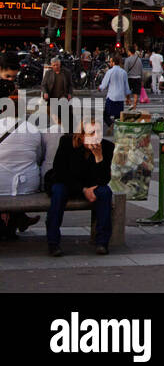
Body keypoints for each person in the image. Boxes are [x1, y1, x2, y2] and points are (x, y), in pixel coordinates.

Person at [45, 118, 114, 256]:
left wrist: (98, 157)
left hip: (91, 185)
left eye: (99, 133)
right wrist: (82, 190)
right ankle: (53, 243)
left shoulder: (107, 147)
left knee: (105, 192)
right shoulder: (66, 142)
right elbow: (60, 173)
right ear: (82, 136)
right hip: (66, 182)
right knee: (58, 192)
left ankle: (102, 242)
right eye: (91, 133)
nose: (96, 137)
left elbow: (103, 180)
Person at [0, 90, 51, 240]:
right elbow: (38, 157)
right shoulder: (34, 130)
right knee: (14, 188)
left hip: (1, 184)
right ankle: (18, 220)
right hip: (28, 184)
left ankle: (12, 222)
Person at [98, 56, 130, 129]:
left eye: (111, 62)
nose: (110, 63)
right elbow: (127, 88)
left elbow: (104, 84)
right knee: (118, 117)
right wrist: (128, 98)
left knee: (106, 115)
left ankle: (110, 124)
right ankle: (117, 131)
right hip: (120, 98)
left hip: (111, 97)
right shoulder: (124, 72)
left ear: (113, 62)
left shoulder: (110, 72)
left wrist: (100, 88)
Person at [41, 56, 73, 124]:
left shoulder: (66, 72)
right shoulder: (48, 73)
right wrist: (45, 93)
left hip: (63, 96)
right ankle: (56, 126)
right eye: (54, 65)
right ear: (51, 65)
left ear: (60, 64)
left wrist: (70, 93)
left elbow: (70, 85)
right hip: (52, 97)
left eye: (57, 65)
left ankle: (64, 125)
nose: (56, 66)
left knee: (63, 112)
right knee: (52, 114)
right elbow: (44, 85)